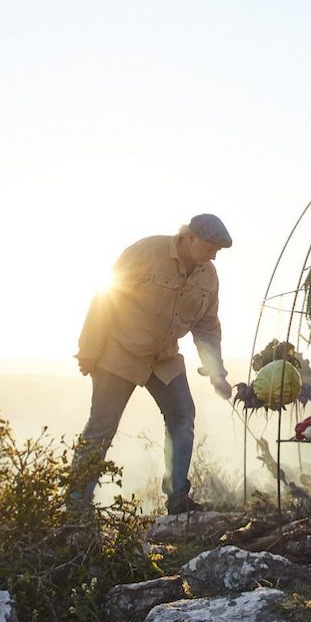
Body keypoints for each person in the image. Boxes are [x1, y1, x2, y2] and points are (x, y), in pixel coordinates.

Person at [73, 214, 233, 514]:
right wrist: (89, 350)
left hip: (164, 359)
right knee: (101, 430)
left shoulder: (208, 277)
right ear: (190, 238)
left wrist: (216, 373)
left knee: (182, 416)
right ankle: (76, 508)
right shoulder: (146, 252)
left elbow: (207, 327)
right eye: (211, 247)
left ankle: (177, 500)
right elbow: (105, 296)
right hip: (120, 354)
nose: (214, 255)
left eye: (218, 251)